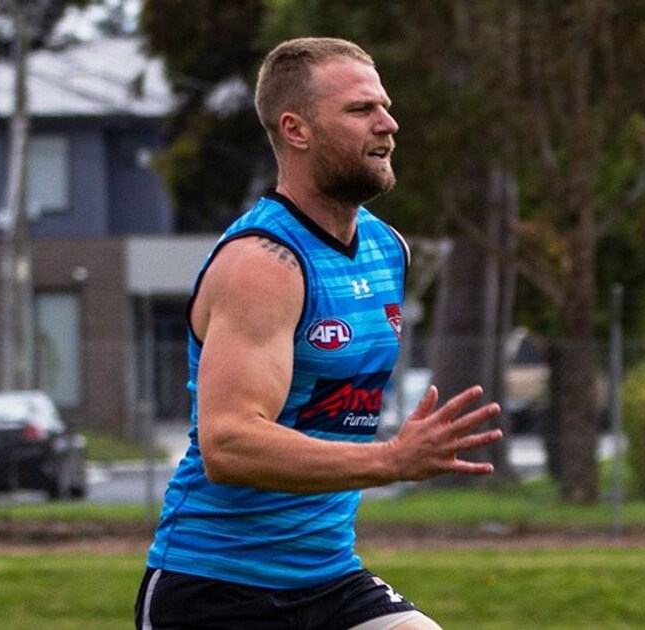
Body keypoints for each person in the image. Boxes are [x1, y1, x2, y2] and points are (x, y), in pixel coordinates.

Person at [135, 37, 504, 630]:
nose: (389, 123)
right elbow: (228, 445)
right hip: (215, 590)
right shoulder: (263, 262)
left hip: (329, 578)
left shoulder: (389, 249)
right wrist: (389, 460)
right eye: (361, 111)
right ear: (297, 130)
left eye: (384, 106)